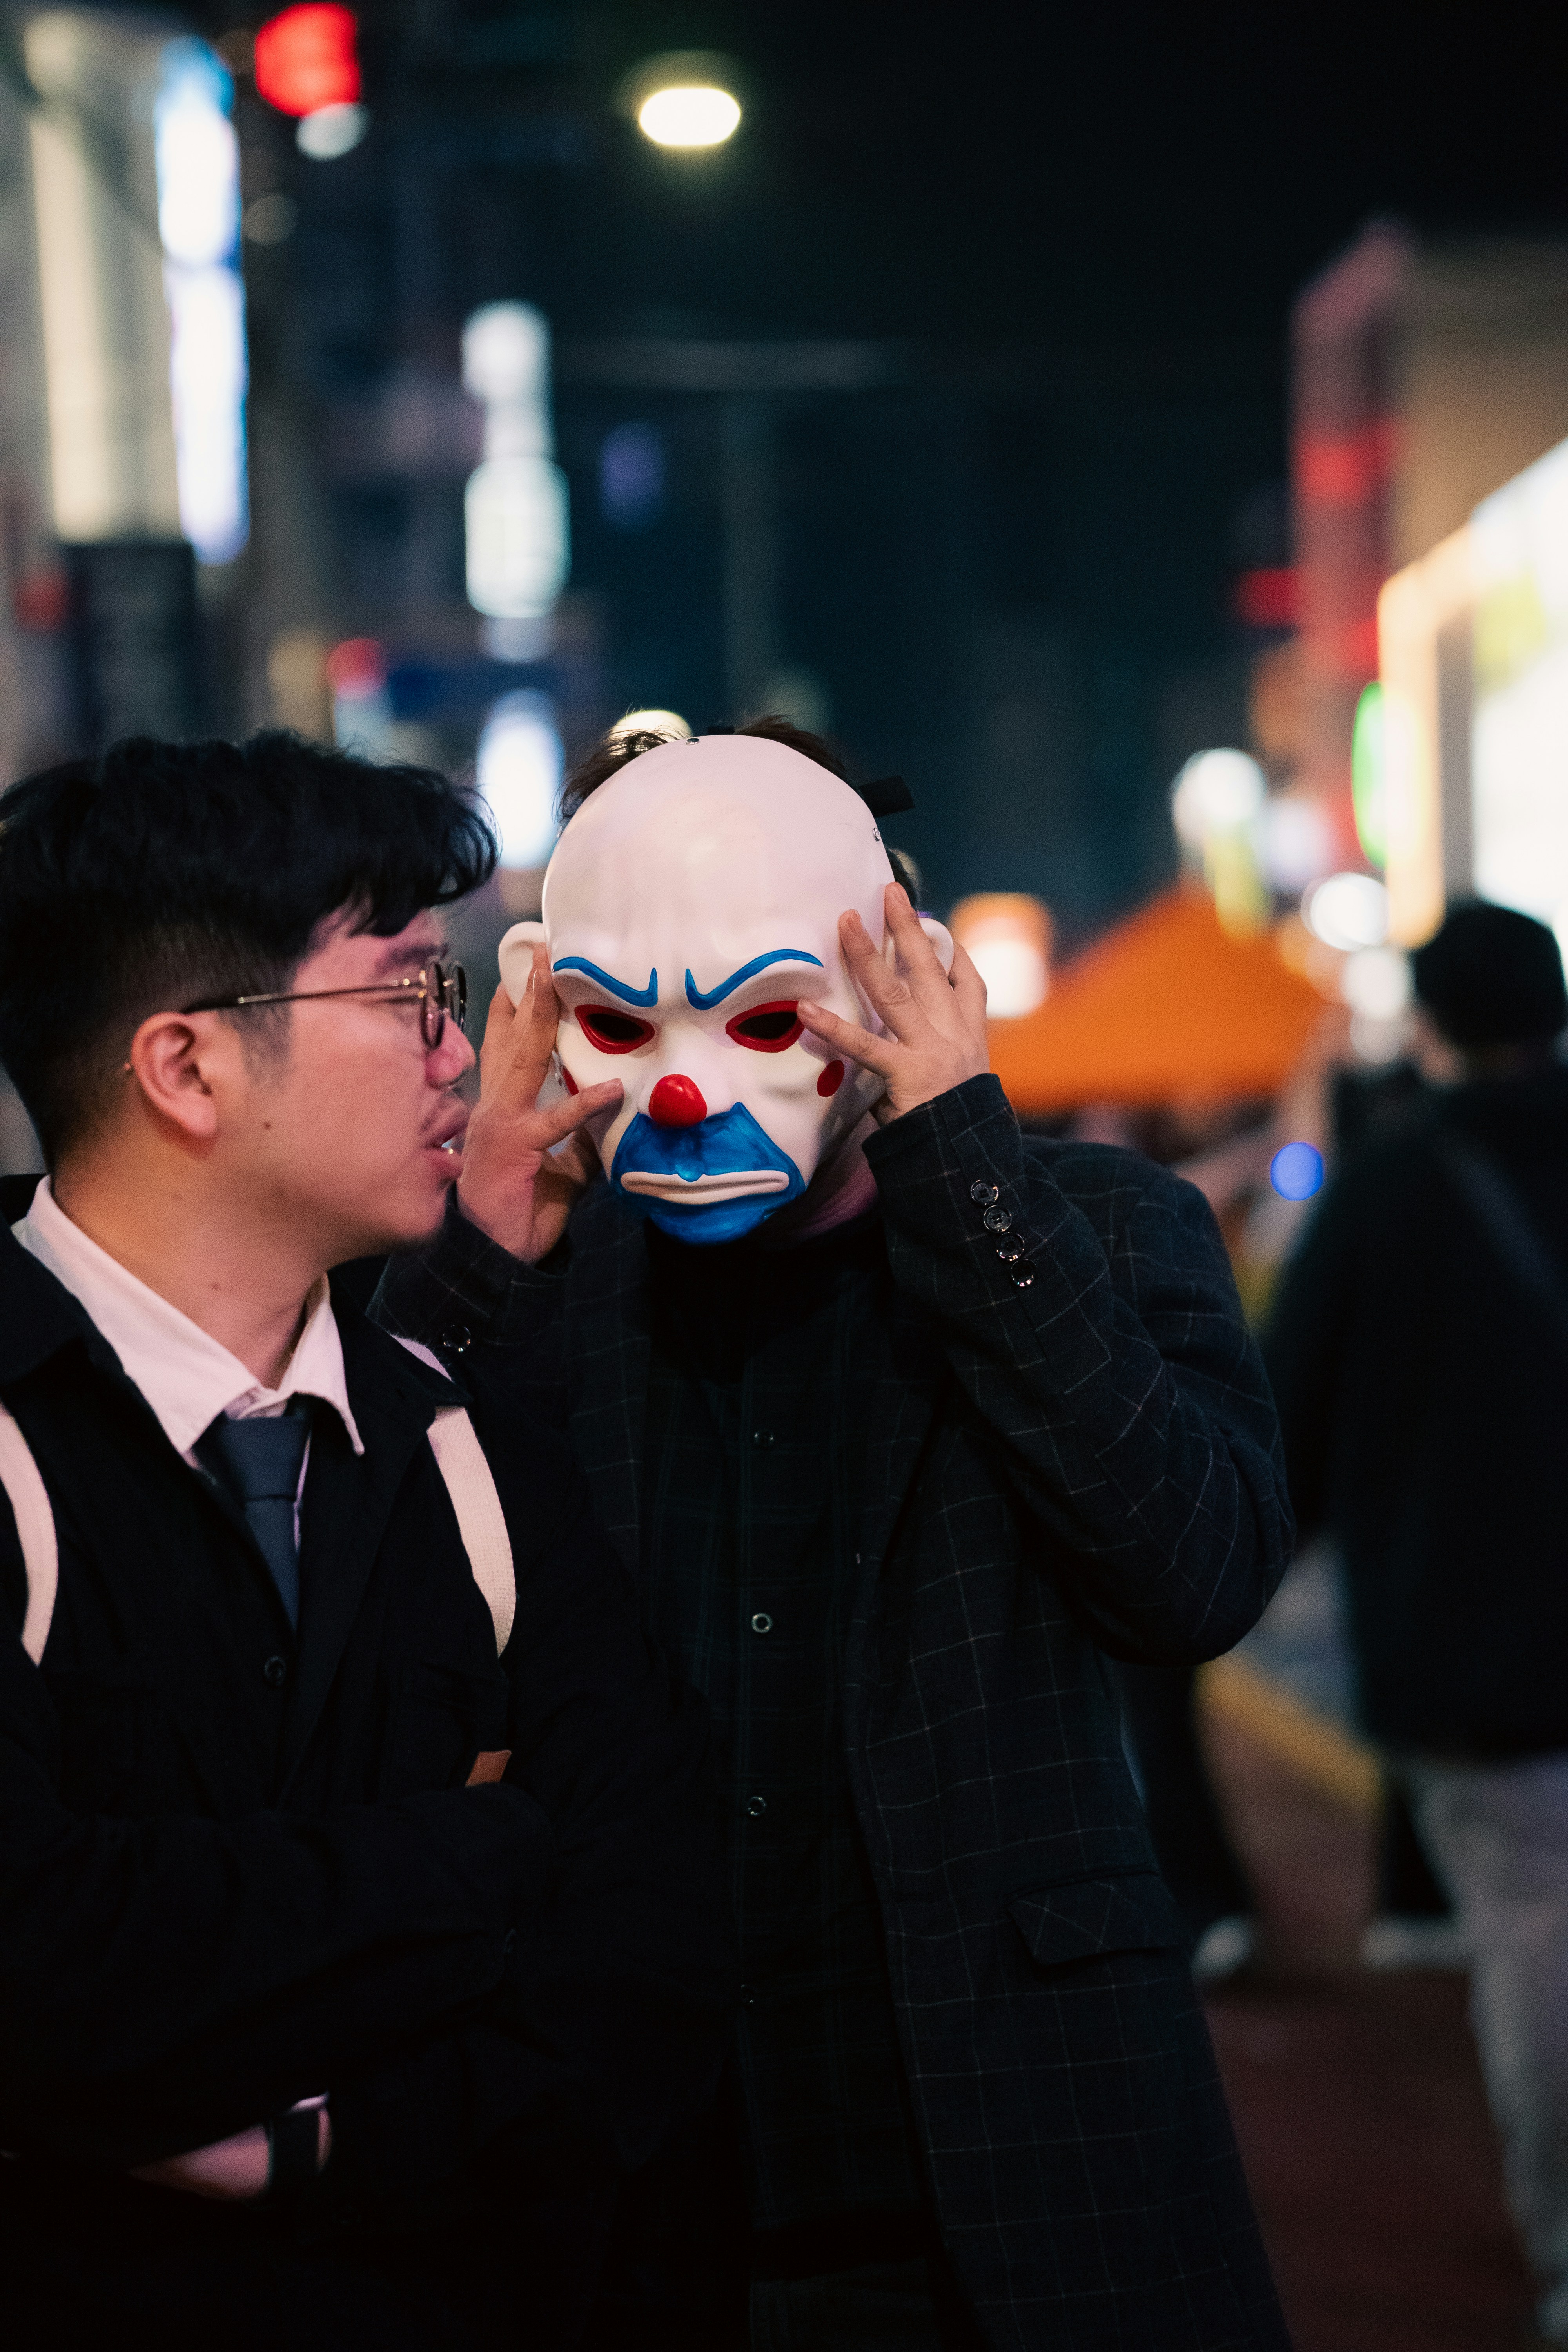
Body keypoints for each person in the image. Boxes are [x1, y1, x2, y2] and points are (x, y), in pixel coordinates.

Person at [376, 717, 1296, 2351]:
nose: (682, 1087)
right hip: (636, 2195)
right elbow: (374, 1663)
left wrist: (965, 1170)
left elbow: (1192, 1572)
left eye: (764, 1018)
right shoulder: (531, 1277)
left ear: (900, 982)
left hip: (1006, 2169)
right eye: (616, 1019)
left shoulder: (1087, 1230)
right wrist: (483, 1266)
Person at [0, 733, 732, 2352]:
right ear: (186, 1068)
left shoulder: (470, 1450)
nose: (462, 1056)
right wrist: (491, 1847)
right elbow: (34, 1963)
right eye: (410, 995)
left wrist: (332, 2142)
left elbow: (654, 1944)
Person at [1265, 897, 1568, 2346]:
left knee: (1535, 1942)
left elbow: (1290, 1407)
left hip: (1473, 1632)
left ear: (1434, 1021)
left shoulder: (1390, 1182)